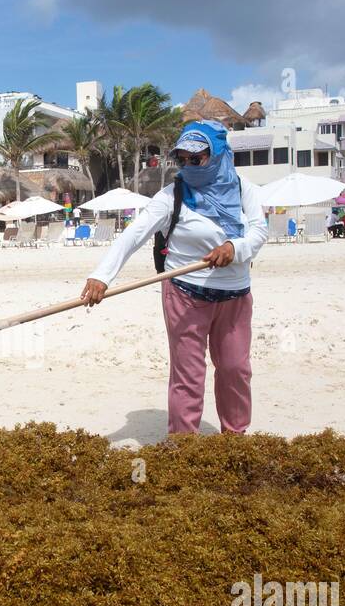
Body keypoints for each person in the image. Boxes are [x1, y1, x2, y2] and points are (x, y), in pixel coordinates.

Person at [80, 120, 267, 436]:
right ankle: (183, 446)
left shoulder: (242, 188)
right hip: (184, 294)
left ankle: (235, 439)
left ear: (218, 154)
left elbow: (259, 231)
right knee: (188, 374)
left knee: (235, 369)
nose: (189, 165)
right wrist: (102, 277)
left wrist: (235, 247)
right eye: (182, 159)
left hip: (234, 295)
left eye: (197, 158)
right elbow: (133, 236)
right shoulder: (171, 196)